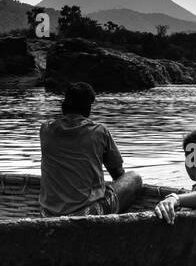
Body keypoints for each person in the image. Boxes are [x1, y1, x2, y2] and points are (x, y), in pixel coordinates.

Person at [39, 82, 142, 217]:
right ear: (88, 110)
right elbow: (118, 174)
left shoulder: (45, 129)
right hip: (85, 214)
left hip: (48, 213)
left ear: (64, 106)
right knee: (134, 178)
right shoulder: (99, 131)